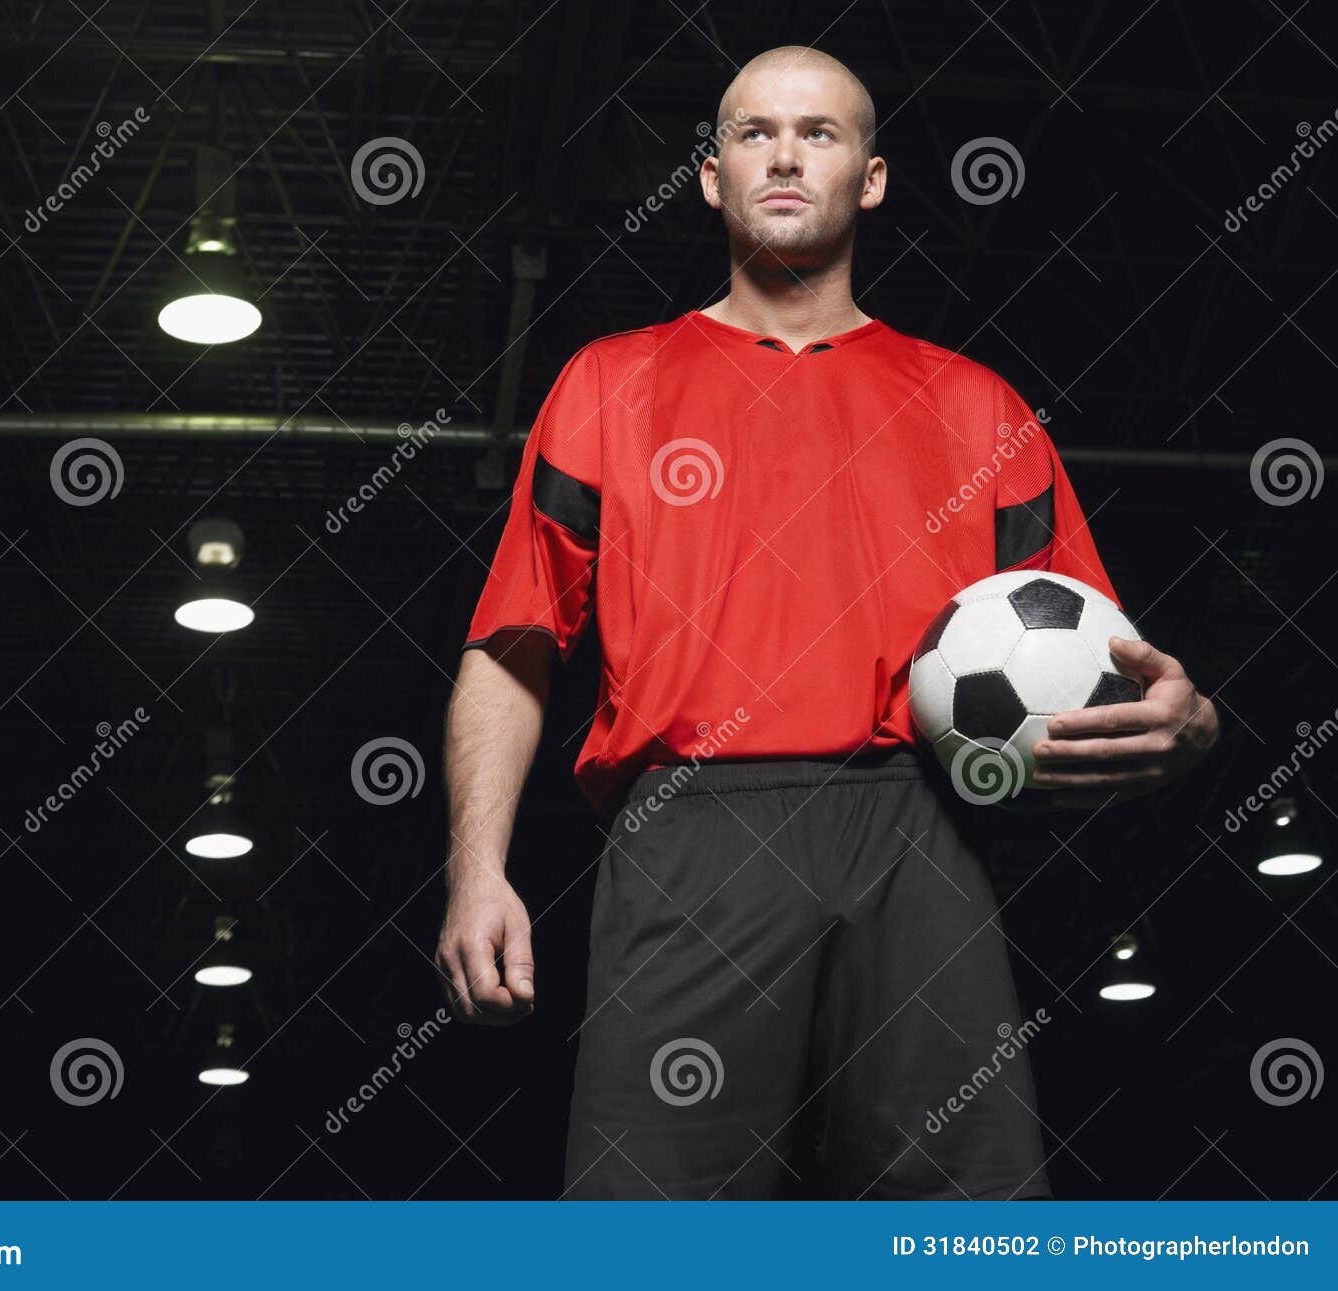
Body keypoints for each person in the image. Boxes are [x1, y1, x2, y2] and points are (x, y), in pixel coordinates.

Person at [437, 46, 1220, 1200]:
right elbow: (512, 647)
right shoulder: (609, 384)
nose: (787, 155)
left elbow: (1115, 675)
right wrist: (475, 868)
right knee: (647, 1223)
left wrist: (1193, 723)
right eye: (754, 133)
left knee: (972, 1227)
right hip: (689, 836)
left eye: (820, 132)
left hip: (921, 837)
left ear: (874, 176)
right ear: (710, 177)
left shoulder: (978, 409)